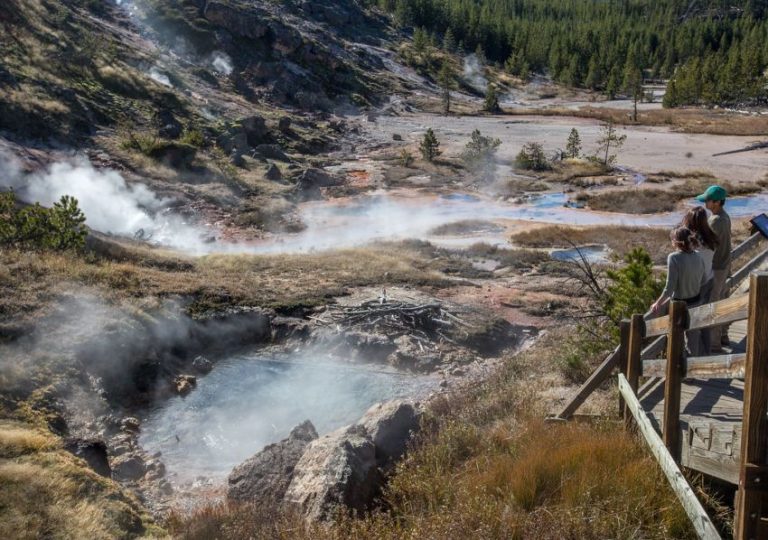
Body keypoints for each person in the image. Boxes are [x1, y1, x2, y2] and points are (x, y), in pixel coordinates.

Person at [651, 227, 706, 355]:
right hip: (696, 301)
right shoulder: (698, 256)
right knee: (693, 337)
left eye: (672, 239)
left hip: (679, 305)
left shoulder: (674, 257)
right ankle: (693, 369)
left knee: (677, 338)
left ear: (676, 242)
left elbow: (669, 288)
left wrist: (657, 303)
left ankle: (679, 368)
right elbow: (703, 279)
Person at [695, 185, 731, 352]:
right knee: (722, 300)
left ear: (716, 202)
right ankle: (723, 335)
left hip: (716, 268)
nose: (705, 203)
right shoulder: (724, 216)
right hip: (724, 265)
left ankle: (714, 345)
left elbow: (706, 243)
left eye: (707, 200)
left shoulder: (715, 220)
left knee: (713, 305)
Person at [681, 206, 718, 353]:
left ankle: (692, 362)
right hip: (709, 280)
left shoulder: (693, 243)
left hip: (695, 286)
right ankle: (706, 354)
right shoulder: (711, 238)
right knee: (704, 320)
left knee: (692, 326)